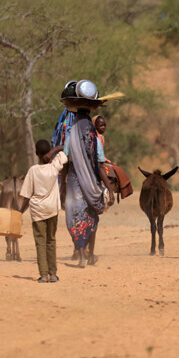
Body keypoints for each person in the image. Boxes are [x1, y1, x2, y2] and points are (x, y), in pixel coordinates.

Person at [62, 89, 116, 268]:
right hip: (92, 184)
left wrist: (62, 187)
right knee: (91, 219)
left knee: (74, 218)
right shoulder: (94, 138)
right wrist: (109, 187)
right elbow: (100, 166)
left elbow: (65, 163)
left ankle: (82, 254)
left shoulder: (70, 137)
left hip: (73, 184)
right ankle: (89, 254)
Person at [19, 140, 67, 283]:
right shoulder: (54, 166)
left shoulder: (33, 170)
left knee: (40, 242)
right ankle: (53, 274)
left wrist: (20, 211)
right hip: (52, 209)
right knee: (51, 240)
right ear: (49, 153)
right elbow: (64, 149)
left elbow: (27, 195)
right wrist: (54, 151)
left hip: (38, 211)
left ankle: (44, 275)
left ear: (36, 153)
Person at [93, 115, 134, 201]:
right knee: (115, 169)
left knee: (115, 169)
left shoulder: (98, 136)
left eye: (104, 125)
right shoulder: (96, 137)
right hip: (96, 161)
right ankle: (120, 189)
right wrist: (104, 160)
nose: (103, 127)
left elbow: (100, 153)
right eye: (101, 125)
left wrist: (105, 159)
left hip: (99, 159)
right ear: (95, 126)